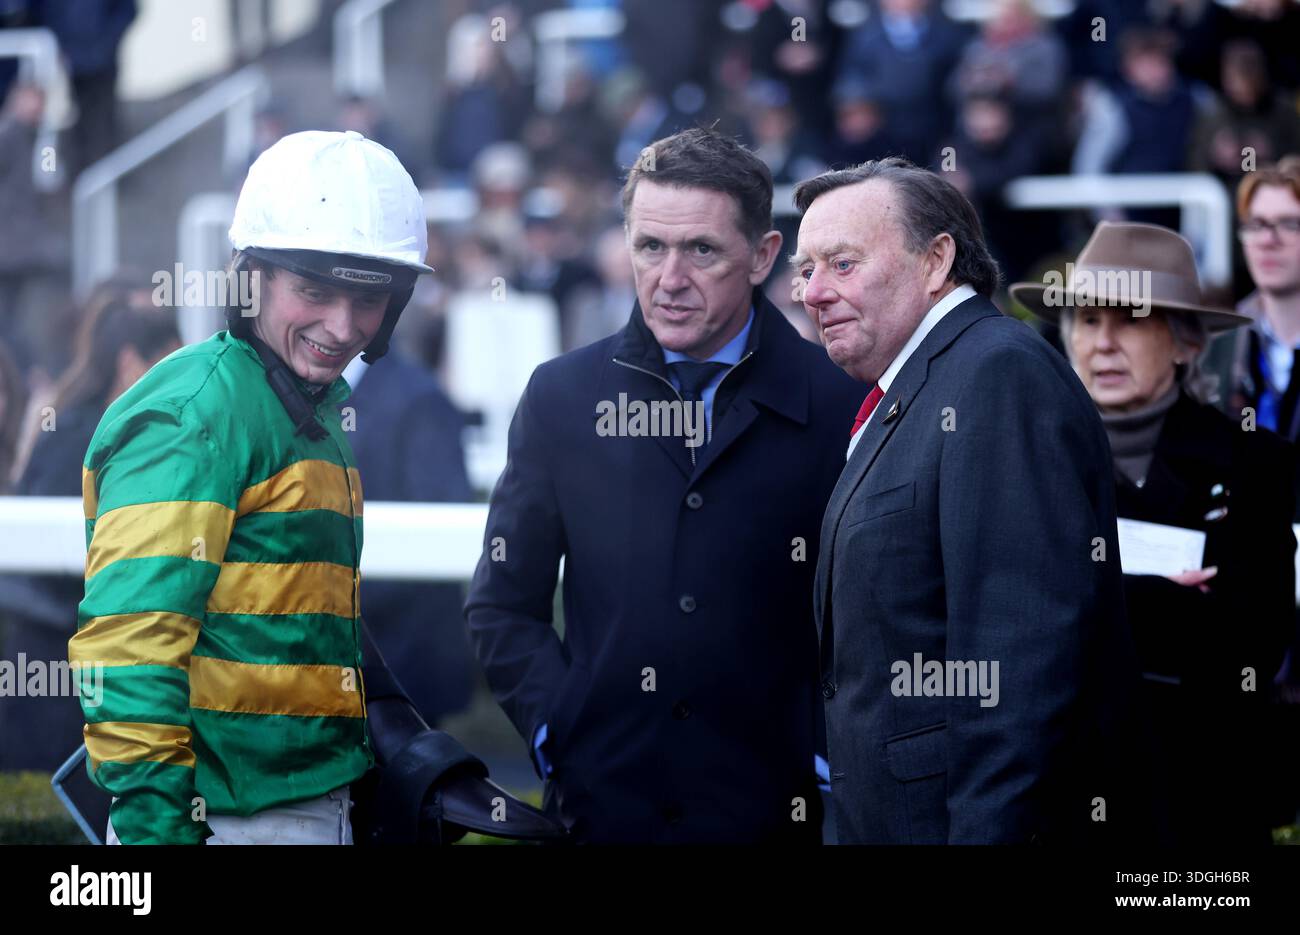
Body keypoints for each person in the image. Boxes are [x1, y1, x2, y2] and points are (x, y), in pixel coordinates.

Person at [465, 128, 863, 843]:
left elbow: (874, 622)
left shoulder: (839, 401)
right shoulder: (561, 396)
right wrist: (562, 730)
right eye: (650, 246)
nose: (669, 277)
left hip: (780, 817)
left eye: (701, 250)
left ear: (764, 256)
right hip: (601, 811)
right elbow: (501, 602)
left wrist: (824, 758)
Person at [69, 130, 436, 845]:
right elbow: (128, 648)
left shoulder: (306, 404)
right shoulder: (192, 412)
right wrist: (156, 837)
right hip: (218, 822)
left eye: (367, 299)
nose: (341, 326)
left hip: (305, 809)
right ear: (252, 277)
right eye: (315, 290)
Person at [794, 157, 1150, 844]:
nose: (813, 292)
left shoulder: (996, 375)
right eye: (806, 270)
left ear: (936, 260)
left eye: (841, 264)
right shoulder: (927, 384)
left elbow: (1019, 670)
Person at [1012, 220, 1296, 845]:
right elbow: (1009, 625)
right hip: (1060, 801)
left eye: (1131, 321)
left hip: (1201, 803)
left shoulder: (1256, 464)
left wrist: (1085, 597)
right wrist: (1157, 596)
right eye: (1088, 321)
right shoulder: (1021, 461)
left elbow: (1251, 641)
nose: (1103, 344)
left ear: (1186, 342)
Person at [0, 288, 179, 773]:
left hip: (63, 655)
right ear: (128, 364)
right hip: (54, 658)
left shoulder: (76, 427)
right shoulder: (88, 439)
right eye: (162, 369)